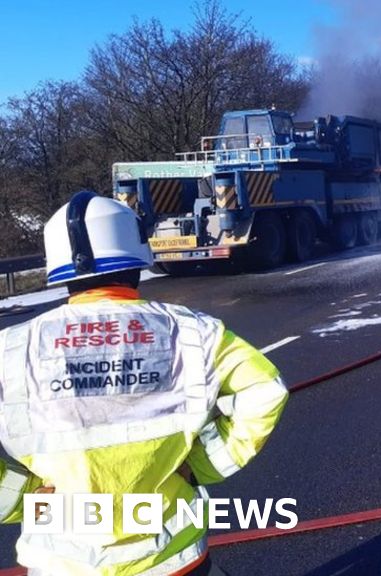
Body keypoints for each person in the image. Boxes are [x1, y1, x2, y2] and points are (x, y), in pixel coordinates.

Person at [0, 191, 289, 575]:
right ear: (137, 260)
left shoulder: (12, 347)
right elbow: (265, 390)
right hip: (170, 557)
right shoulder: (190, 331)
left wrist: (23, 499)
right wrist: (203, 465)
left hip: (61, 562)